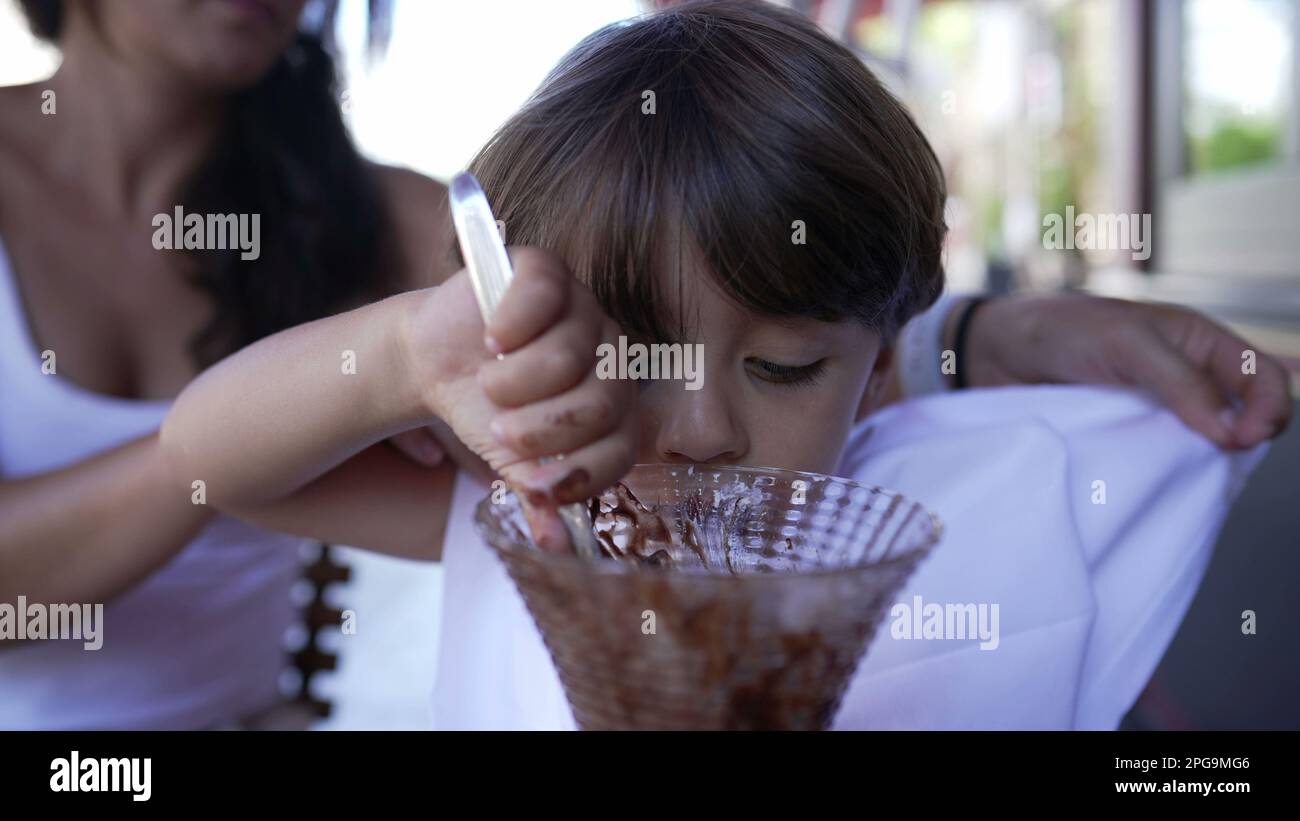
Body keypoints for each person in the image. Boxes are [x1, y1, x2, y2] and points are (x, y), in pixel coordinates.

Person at [154, 1, 1290, 729]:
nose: (701, 430)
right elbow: (205, 458)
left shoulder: (994, 490)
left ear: (883, 367)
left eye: (787, 366)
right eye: (631, 359)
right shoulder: (524, 515)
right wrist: (402, 356)